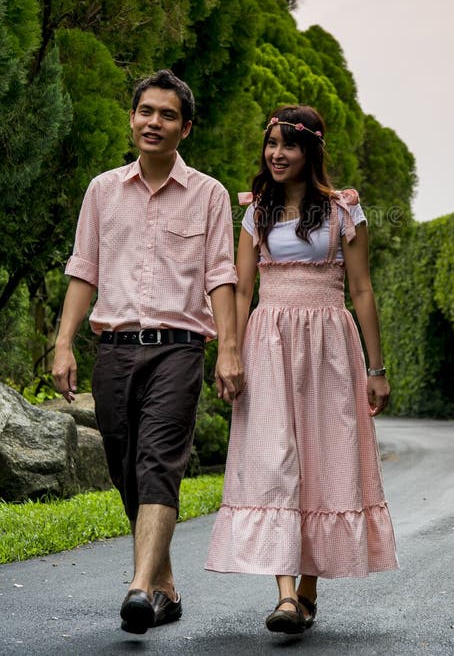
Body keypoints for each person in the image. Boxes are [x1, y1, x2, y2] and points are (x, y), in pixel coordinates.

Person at [52, 69, 244, 635]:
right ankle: (163, 583)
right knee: (123, 463)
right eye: (145, 111)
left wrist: (227, 349)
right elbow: (83, 271)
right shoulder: (102, 190)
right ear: (132, 117)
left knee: (159, 461)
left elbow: (221, 277)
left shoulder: (208, 194)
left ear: (185, 128)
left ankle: (139, 589)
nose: (152, 122)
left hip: (179, 349)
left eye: (166, 115)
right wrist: (63, 343)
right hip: (112, 349)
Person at [205, 104, 398, 634]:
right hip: (269, 344)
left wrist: (376, 368)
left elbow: (361, 290)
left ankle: (307, 592)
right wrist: (231, 352)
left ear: (310, 151)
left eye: (288, 145)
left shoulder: (344, 212)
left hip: (331, 347)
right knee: (275, 460)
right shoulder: (254, 214)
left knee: (324, 459)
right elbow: (242, 289)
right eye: (271, 144)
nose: (277, 154)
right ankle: (285, 594)